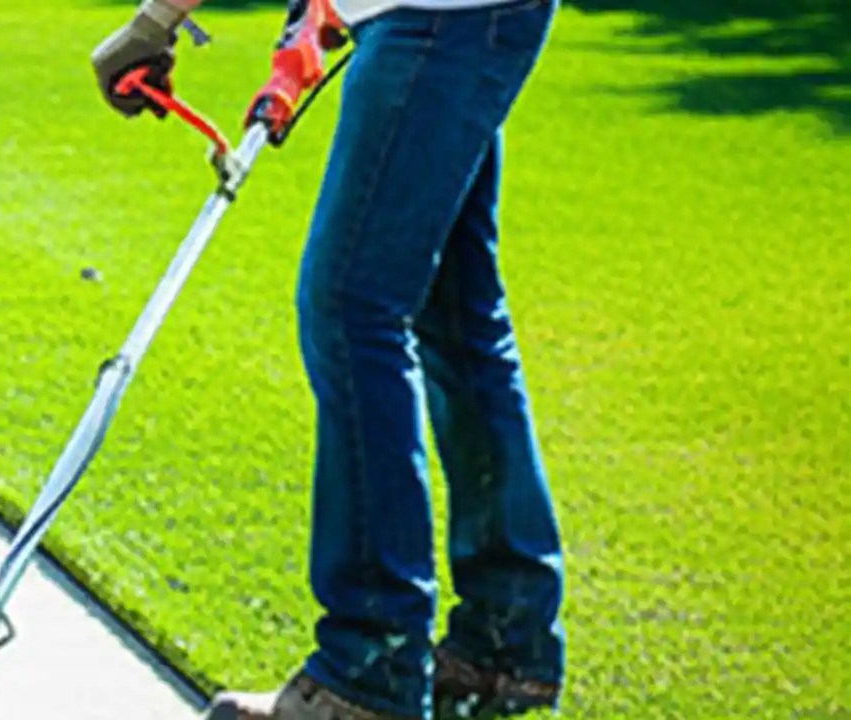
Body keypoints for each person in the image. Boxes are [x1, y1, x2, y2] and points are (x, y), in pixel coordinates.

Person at [90, 0, 567, 717]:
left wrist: (156, 19)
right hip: (467, 15)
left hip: (437, 18)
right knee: (455, 312)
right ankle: (503, 646)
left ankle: (371, 669)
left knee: (352, 307)